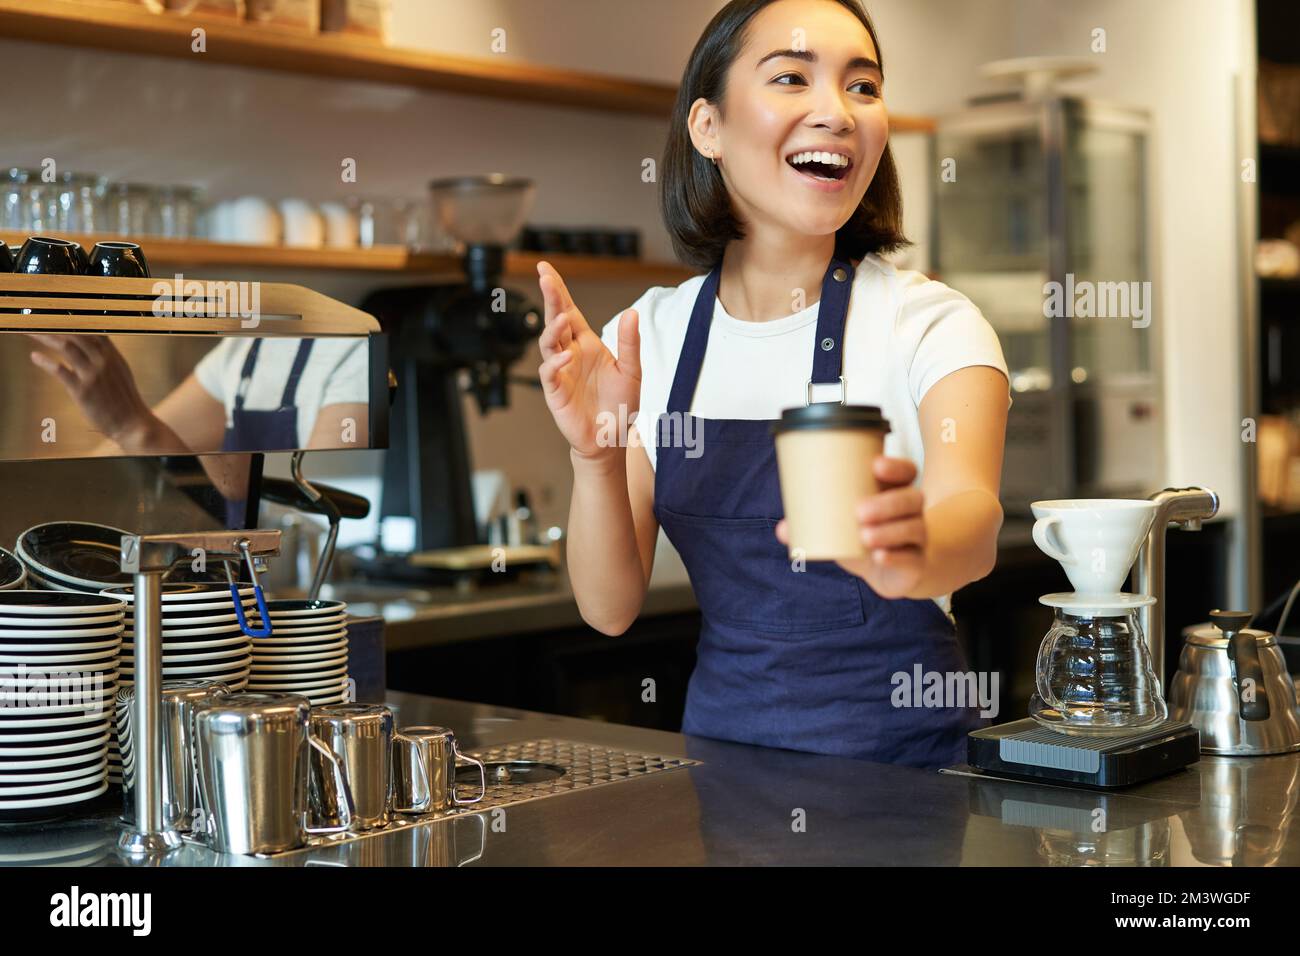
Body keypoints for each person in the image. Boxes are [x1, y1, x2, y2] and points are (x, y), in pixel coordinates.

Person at [535, 0, 1010, 768]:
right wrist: (595, 454)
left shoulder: (930, 324)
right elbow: (610, 608)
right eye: (792, 77)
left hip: (905, 779)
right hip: (723, 769)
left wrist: (911, 549)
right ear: (707, 128)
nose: (838, 112)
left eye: (863, 86)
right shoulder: (651, 335)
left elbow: (975, 523)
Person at [28, 334, 369, 514]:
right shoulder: (244, 351)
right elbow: (115, 460)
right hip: (240, 577)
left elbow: (327, 509)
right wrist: (40, 506)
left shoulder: (354, 353)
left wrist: (131, 425)